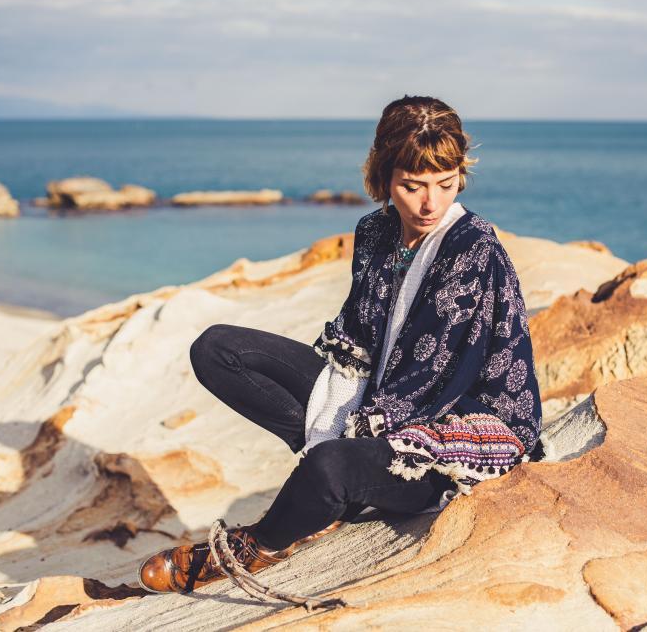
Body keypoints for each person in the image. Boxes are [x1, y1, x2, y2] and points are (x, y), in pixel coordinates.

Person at [138, 95, 543, 594]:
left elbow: (431, 379)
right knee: (216, 349)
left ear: (460, 175)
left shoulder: (473, 247)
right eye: (412, 186)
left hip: (451, 432)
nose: (430, 204)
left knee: (329, 465)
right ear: (384, 177)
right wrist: (341, 417)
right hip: (373, 391)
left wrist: (349, 436)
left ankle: (260, 543)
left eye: (445, 183)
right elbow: (358, 338)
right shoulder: (374, 232)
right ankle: (332, 486)